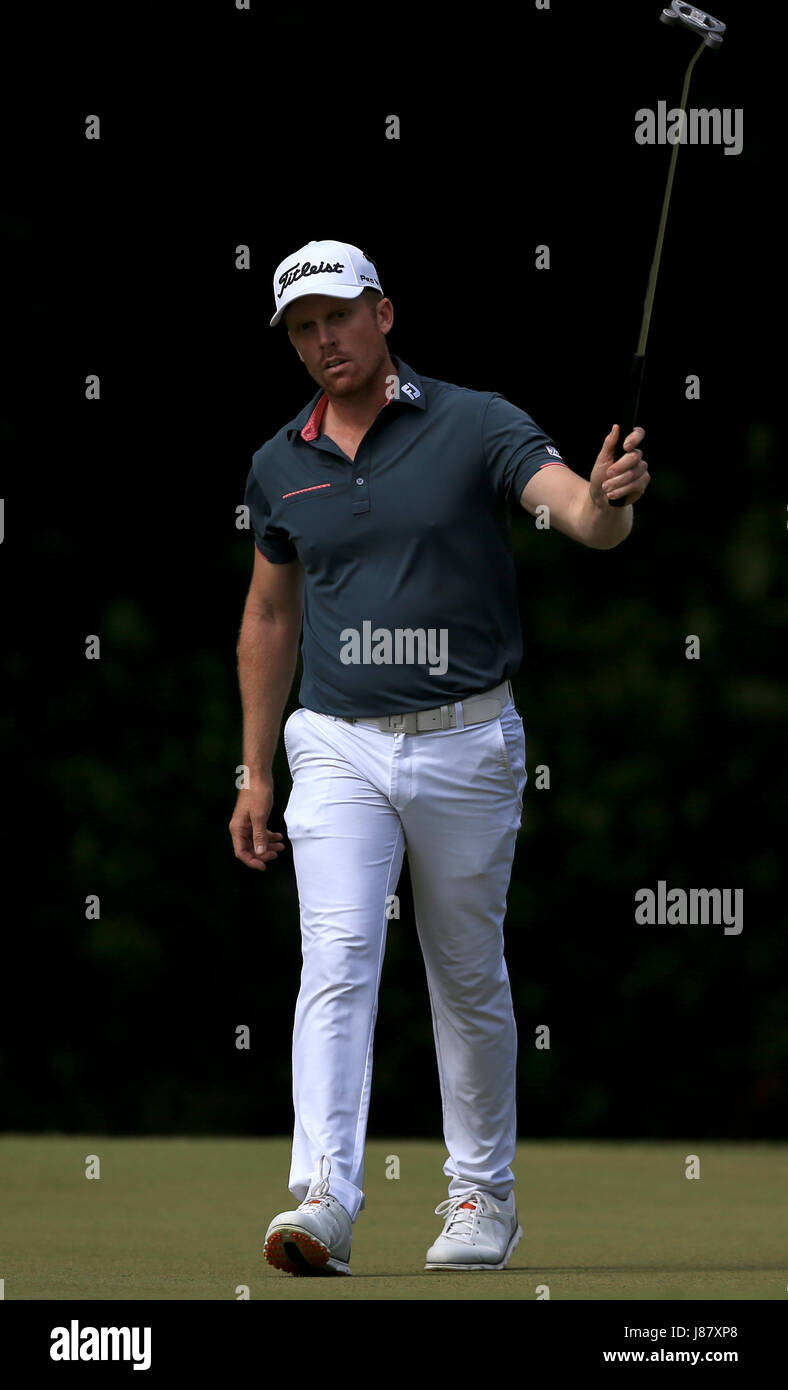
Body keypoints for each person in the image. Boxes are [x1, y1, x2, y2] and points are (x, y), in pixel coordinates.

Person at [229, 238, 650, 1276]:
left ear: (382, 313)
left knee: (464, 972)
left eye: (337, 316)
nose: (322, 339)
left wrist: (607, 500)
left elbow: (577, 514)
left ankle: (480, 1198)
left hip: (467, 739)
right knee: (337, 956)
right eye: (301, 328)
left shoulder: (475, 422)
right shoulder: (280, 463)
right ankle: (324, 1197)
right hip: (336, 744)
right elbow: (270, 615)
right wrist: (255, 770)